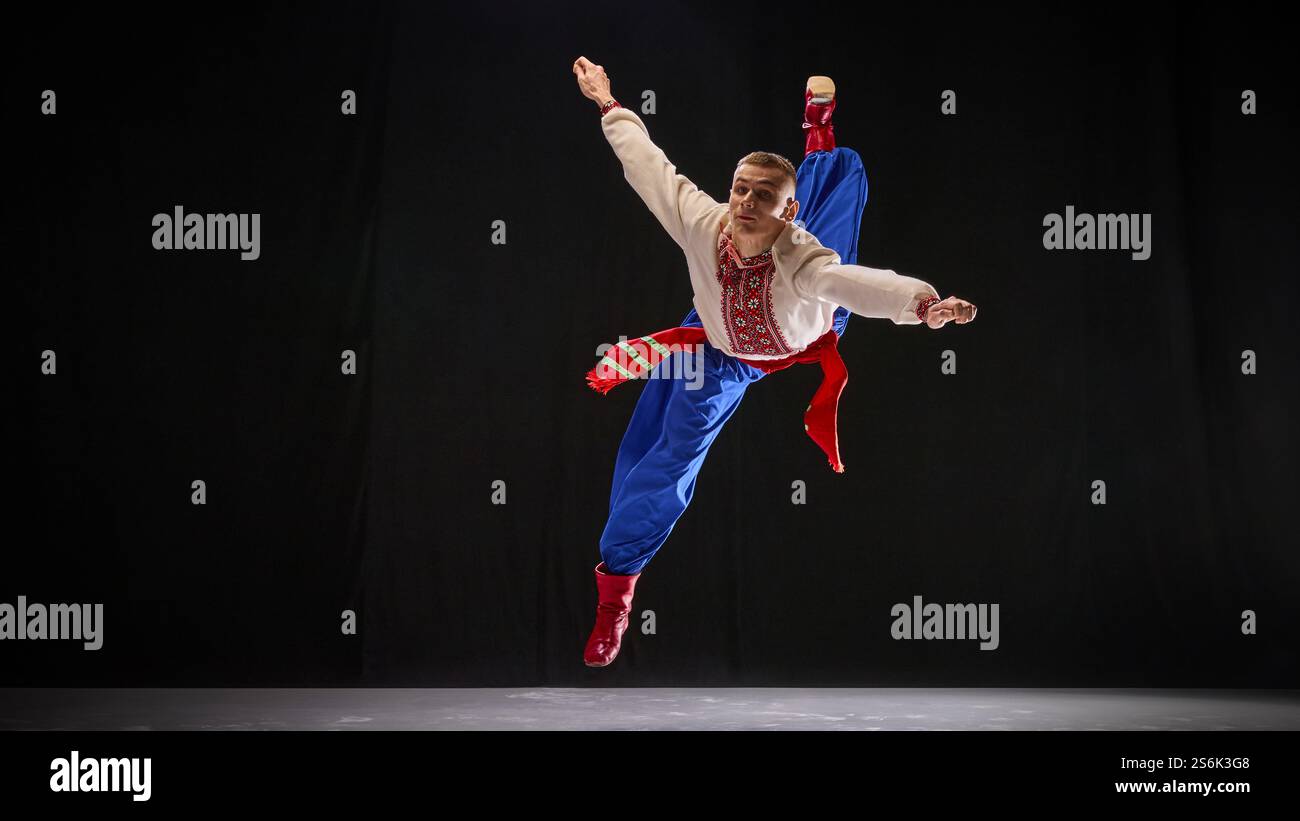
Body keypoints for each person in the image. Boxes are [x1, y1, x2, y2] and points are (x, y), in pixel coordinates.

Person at [572, 57, 977, 667]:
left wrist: (925, 306)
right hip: (719, 354)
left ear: (786, 213)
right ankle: (616, 596)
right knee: (667, 462)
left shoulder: (805, 258)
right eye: (741, 188)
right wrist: (608, 102)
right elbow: (649, 167)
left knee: (840, 214)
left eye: (765, 196)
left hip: (806, 331)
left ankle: (820, 134)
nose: (747, 201)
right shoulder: (703, 220)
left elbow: (860, 284)